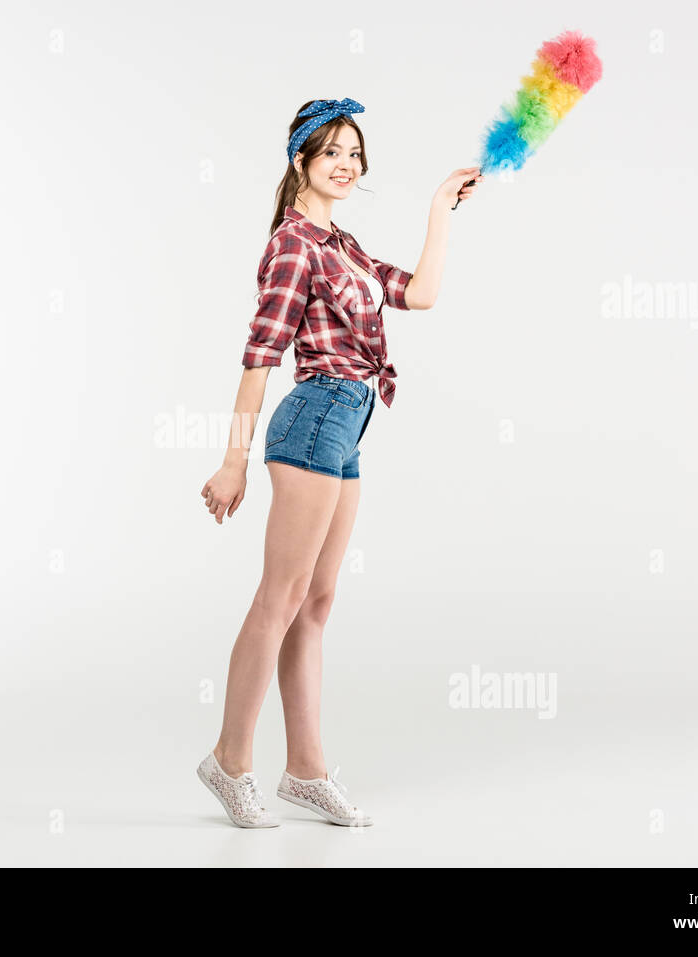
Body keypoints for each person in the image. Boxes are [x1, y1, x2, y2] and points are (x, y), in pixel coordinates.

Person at [196, 98, 482, 827]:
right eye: (332, 153)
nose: (348, 164)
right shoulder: (294, 246)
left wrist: (440, 211)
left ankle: (306, 769)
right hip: (315, 415)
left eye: (355, 152)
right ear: (300, 161)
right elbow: (259, 359)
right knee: (281, 596)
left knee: (316, 603)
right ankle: (229, 760)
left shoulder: (345, 246)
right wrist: (232, 460)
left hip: (347, 424)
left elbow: (418, 294)